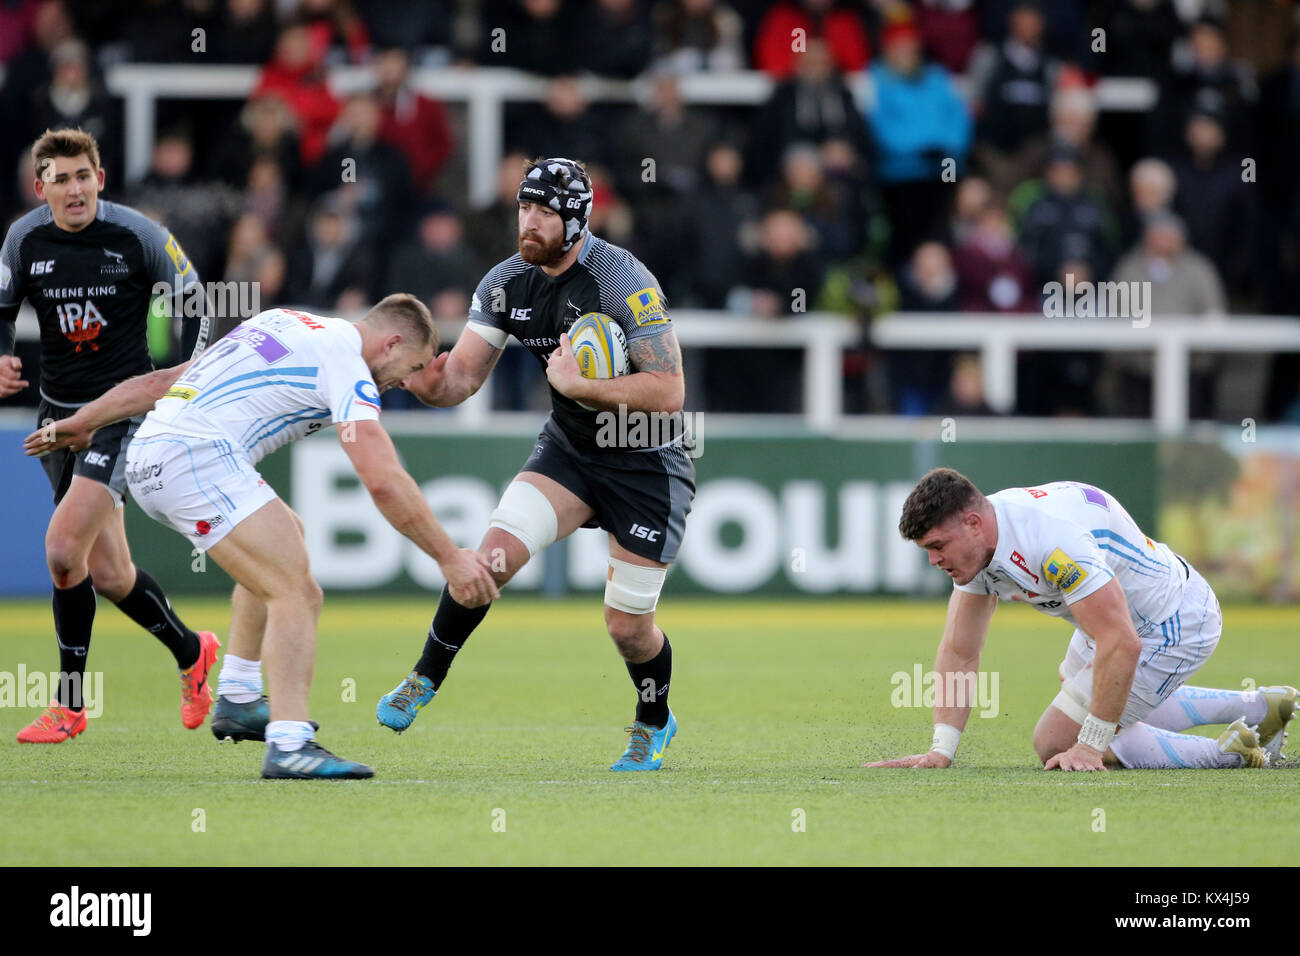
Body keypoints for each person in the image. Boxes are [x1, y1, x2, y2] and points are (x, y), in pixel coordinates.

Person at [25, 294, 500, 778]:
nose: (404, 381)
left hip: (157, 450)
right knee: (295, 591)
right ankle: (290, 744)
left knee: (288, 535)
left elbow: (166, 381)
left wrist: (85, 420)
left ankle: (239, 693)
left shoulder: (281, 321)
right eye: (412, 365)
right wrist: (448, 558)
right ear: (392, 341)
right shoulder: (347, 364)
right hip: (193, 457)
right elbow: (382, 479)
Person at [375, 157, 694, 771]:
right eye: (525, 207)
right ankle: (423, 678)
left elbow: (670, 390)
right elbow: (461, 377)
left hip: (647, 463)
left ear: (576, 221)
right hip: (571, 453)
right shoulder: (505, 281)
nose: (530, 221)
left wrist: (583, 387)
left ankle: (654, 720)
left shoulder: (622, 280)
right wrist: (402, 376)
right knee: (487, 560)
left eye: (545, 211)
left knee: (627, 629)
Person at [0, 128, 217, 744]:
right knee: (110, 572)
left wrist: (177, 378)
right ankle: (191, 651)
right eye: (60, 178)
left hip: (121, 415)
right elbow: (1, 307)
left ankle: (70, 704)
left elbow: (197, 303)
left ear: (101, 177)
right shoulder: (22, 239)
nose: (74, 189)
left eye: (83, 175)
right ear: (39, 186)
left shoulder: (139, 236)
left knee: (64, 550)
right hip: (57, 418)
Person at [867, 468, 1295, 772]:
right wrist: (941, 749)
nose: (933, 560)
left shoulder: (1051, 545)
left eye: (938, 545)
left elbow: (1122, 642)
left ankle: (1233, 753)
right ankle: (1258, 706)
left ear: (973, 523)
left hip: (1171, 622)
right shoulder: (982, 546)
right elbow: (960, 651)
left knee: (1057, 739)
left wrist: (1090, 747)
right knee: (1081, 695)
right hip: (1119, 615)